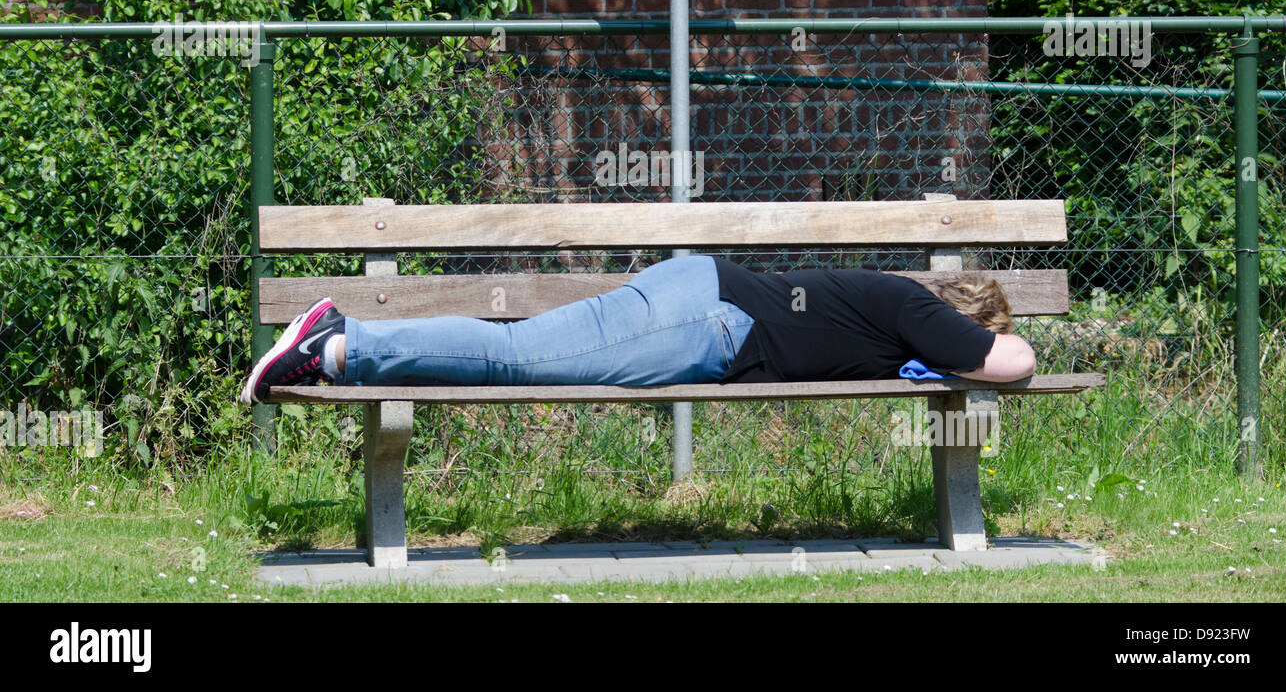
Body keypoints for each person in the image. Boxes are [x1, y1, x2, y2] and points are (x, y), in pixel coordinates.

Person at [240, 253, 1036, 405]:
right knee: (516, 357)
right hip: (705, 321)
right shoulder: (917, 309)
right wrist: (990, 351)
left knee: (521, 357)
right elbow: (1010, 363)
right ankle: (339, 344)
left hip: (701, 306)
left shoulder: (899, 312)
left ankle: (340, 347)